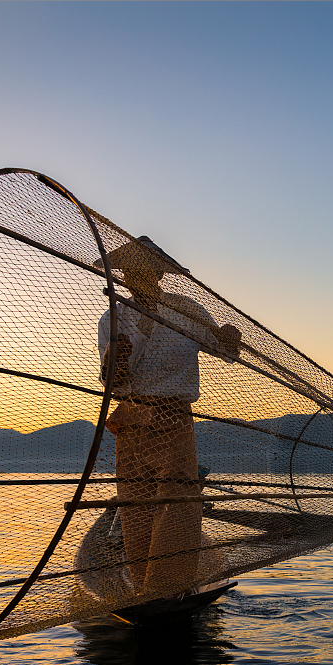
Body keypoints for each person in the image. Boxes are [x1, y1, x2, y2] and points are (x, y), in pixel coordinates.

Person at [97, 235, 241, 596]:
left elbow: (224, 352)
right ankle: (143, 580)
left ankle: (171, 583)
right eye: (131, 271)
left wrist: (229, 337)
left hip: (174, 416)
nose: (138, 276)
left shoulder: (186, 311)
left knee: (176, 499)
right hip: (131, 418)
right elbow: (113, 382)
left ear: (160, 274)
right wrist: (120, 358)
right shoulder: (113, 316)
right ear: (123, 275)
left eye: (146, 270)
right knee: (135, 499)